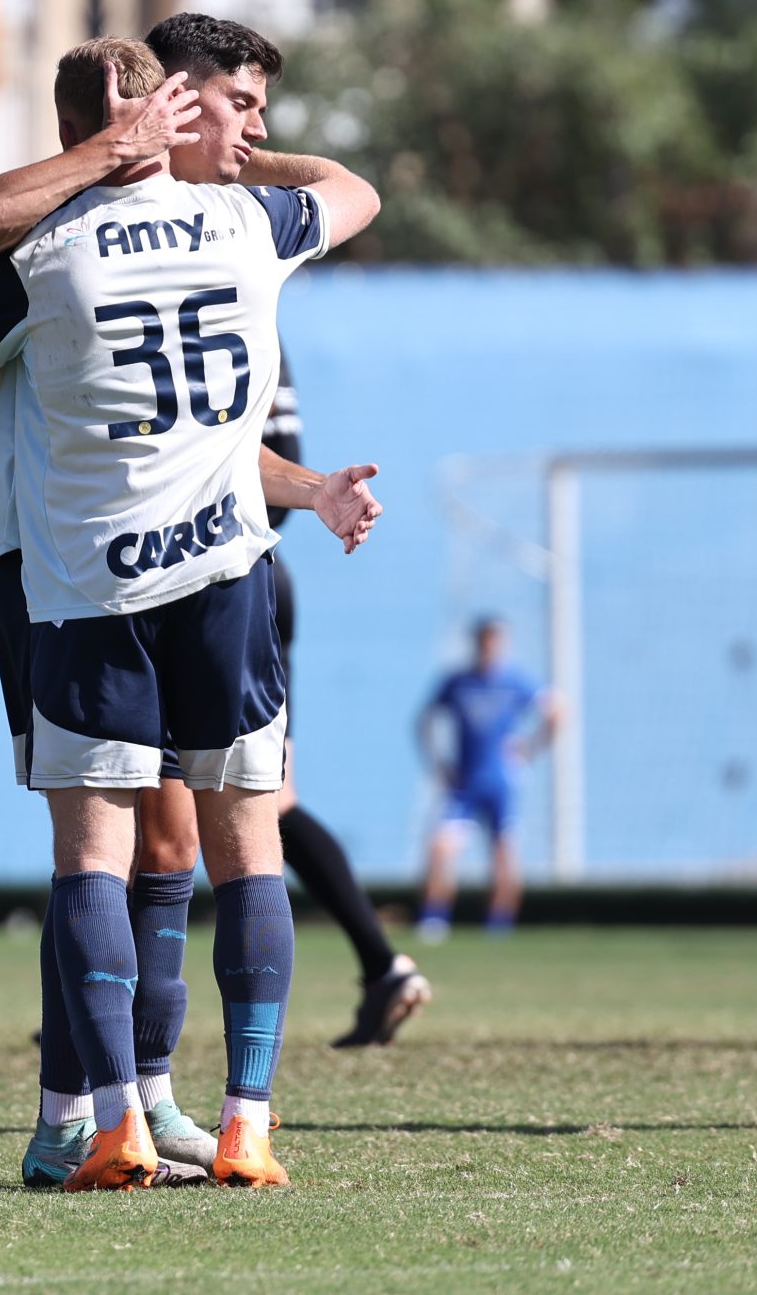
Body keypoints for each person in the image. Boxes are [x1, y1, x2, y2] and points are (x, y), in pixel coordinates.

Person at [0, 35, 380, 1188]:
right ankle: (203, 1116)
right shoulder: (242, 231)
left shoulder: (41, 255)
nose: (252, 129)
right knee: (228, 840)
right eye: (237, 108)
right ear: (163, 111)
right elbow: (350, 194)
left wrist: (303, 484)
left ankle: (122, 1106)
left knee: (108, 848)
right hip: (217, 578)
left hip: (84, 583)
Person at [261, 350, 431, 1048]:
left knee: (155, 796)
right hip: (240, 580)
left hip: (225, 581)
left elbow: (280, 464)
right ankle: (381, 963)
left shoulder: (229, 295)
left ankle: (92, 1005)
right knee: (261, 800)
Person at [415, 617, 561, 941]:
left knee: (504, 854)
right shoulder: (458, 682)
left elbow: (557, 712)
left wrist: (530, 748)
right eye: (485, 641)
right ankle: (433, 921)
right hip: (464, 784)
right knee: (440, 849)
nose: (489, 647)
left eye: (495, 641)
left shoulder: (515, 682)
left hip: (501, 783)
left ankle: (499, 926)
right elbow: (424, 721)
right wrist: (439, 763)